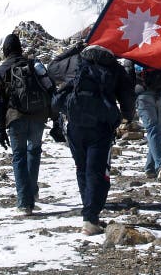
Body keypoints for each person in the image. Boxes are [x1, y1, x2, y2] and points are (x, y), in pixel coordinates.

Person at [52, 45, 134, 235]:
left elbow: (52, 68)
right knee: (97, 171)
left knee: (82, 168)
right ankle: (90, 217)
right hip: (101, 126)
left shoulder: (76, 63)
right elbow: (127, 96)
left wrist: (73, 49)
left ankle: (88, 212)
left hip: (75, 125)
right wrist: (127, 116)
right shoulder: (115, 67)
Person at [0, 33, 57, 215]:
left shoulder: (1, 72)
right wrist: (54, 117)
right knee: (34, 152)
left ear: (5, 50)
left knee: (19, 156)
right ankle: (32, 192)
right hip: (38, 116)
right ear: (20, 48)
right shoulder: (33, 65)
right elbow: (49, 88)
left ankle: (24, 203)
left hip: (15, 119)